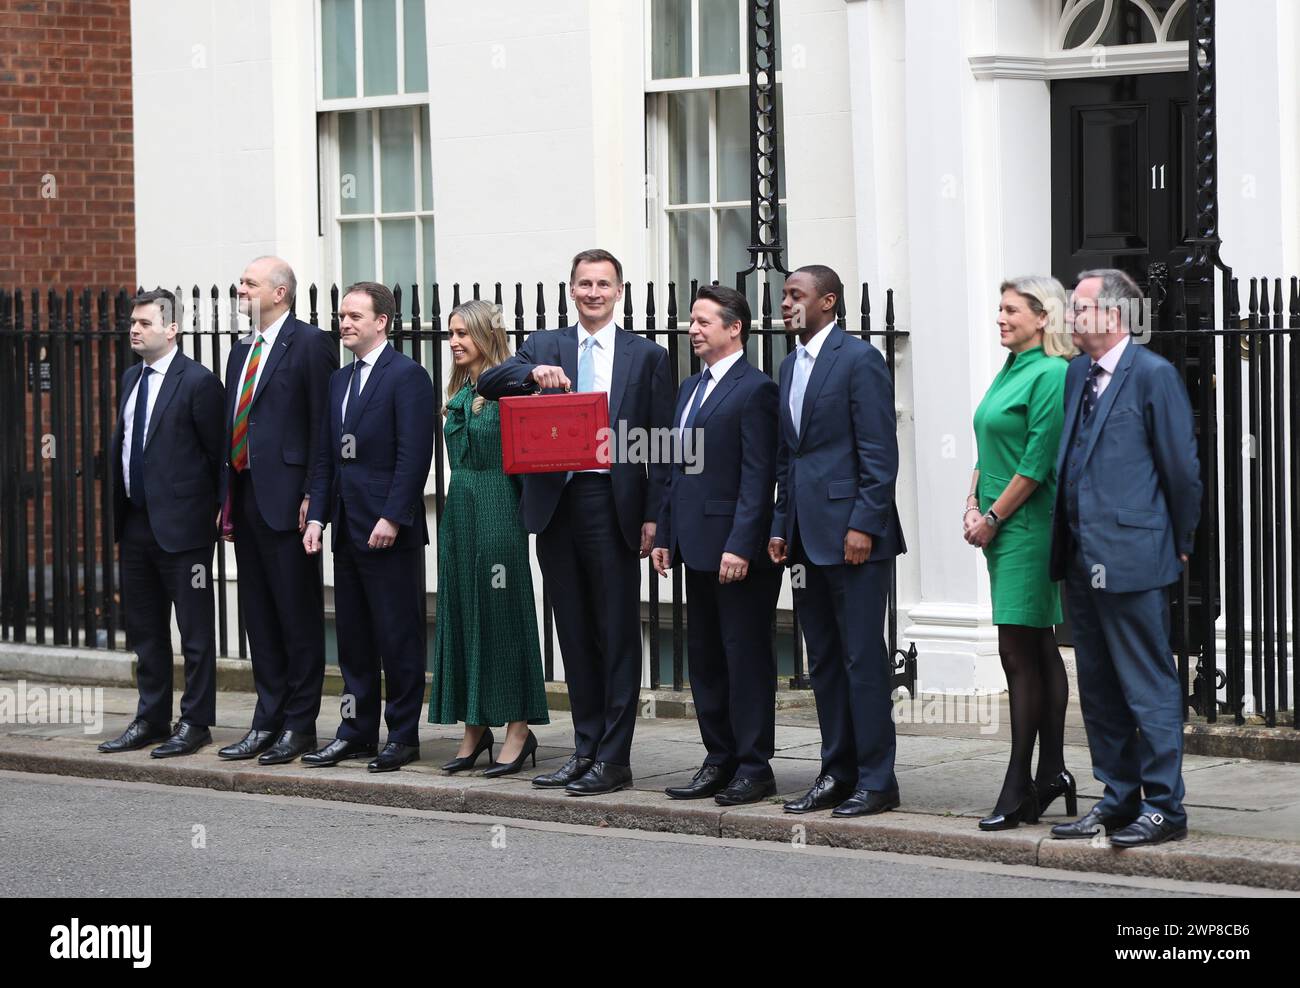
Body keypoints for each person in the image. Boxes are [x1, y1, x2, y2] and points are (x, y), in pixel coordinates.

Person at [477, 249, 673, 796]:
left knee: (615, 632)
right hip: (557, 503)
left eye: (603, 284)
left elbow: (662, 444)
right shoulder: (545, 345)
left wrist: (656, 517)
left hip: (613, 503)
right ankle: (584, 748)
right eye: (584, 284)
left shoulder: (647, 356)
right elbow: (491, 381)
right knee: (575, 633)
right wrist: (530, 372)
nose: (593, 292)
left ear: (619, 291)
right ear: (571, 291)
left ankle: (615, 758)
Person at [1048, 268, 1201, 848]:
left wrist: (1179, 539)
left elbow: (1181, 471)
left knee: (1147, 683)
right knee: (1099, 683)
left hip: (1134, 553)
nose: (1069, 318)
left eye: (1078, 309)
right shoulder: (1076, 373)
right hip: (1081, 555)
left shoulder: (1153, 376)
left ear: (1113, 317)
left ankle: (1165, 807)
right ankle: (1118, 797)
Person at [768, 265, 906, 817]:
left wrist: (863, 526)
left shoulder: (859, 360)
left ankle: (877, 780)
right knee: (823, 660)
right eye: (783, 296)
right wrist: (780, 525)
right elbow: (788, 457)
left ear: (828, 302)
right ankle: (836, 771)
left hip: (854, 538)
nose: (785, 304)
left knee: (861, 660)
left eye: (795, 295)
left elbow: (879, 452)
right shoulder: (787, 366)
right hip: (805, 536)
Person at [652, 285, 782, 806]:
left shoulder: (757, 390)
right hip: (692, 542)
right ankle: (718, 758)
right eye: (692, 321)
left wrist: (741, 544)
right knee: (704, 657)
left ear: (735, 329)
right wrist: (665, 532)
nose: (694, 329)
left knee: (743, 656)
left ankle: (754, 765)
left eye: (705, 321)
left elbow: (759, 476)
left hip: (734, 549)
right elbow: (675, 469)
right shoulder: (688, 388)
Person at [302, 282, 435, 773]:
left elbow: (414, 453)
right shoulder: (339, 381)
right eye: (342, 316)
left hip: (389, 531)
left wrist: (392, 516)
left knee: (398, 637)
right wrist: (317, 514)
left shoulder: (408, 376)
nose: (345, 323)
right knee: (354, 640)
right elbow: (324, 456)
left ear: (382, 321)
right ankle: (355, 731)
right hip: (346, 528)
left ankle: (402, 736)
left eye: (355, 315)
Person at [964, 276, 1075, 830]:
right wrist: (970, 501)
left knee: (1017, 652)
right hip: (999, 527)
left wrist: (992, 518)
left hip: (1027, 528)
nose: (1000, 317)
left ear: (1042, 316)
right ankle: (1051, 773)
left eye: (1010, 309)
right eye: (999, 307)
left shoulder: (1053, 373)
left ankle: (1020, 782)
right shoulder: (1010, 368)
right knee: (1037, 646)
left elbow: (1036, 463)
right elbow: (989, 446)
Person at [217, 256, 337, 766]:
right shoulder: (240, 349)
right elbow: (233, 424)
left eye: (249, 283)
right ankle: (265, 719)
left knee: (297, 614)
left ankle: (299, 725)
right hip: (245, 496)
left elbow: (321, 426)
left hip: (289, 501)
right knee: (260, 616)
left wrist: (314, 494)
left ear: (280, 293)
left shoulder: (310, 344)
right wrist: (224, 498)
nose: (240, 289)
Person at [99, 289, 225, 758]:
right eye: (133, 322)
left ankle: (195, 723)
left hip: (185, 528)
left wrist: (218, 512)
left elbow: (219, 457)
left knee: (193, 632)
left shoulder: (198, 382)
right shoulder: (132, 378)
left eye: (145, 323)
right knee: (146, 631)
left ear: (171, 329)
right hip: (135, 523)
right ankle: (150, 718)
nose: (135, 329)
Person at [429, 299, 549, 777]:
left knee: (502, 611)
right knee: (462, 611)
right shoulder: (459, 388)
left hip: (500, 505)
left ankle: (519, 726)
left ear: (486, 334)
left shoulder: (514, 383)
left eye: (463, 333)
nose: (455, 341)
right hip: (460, 508)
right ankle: (475, 726)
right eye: (451, 333)